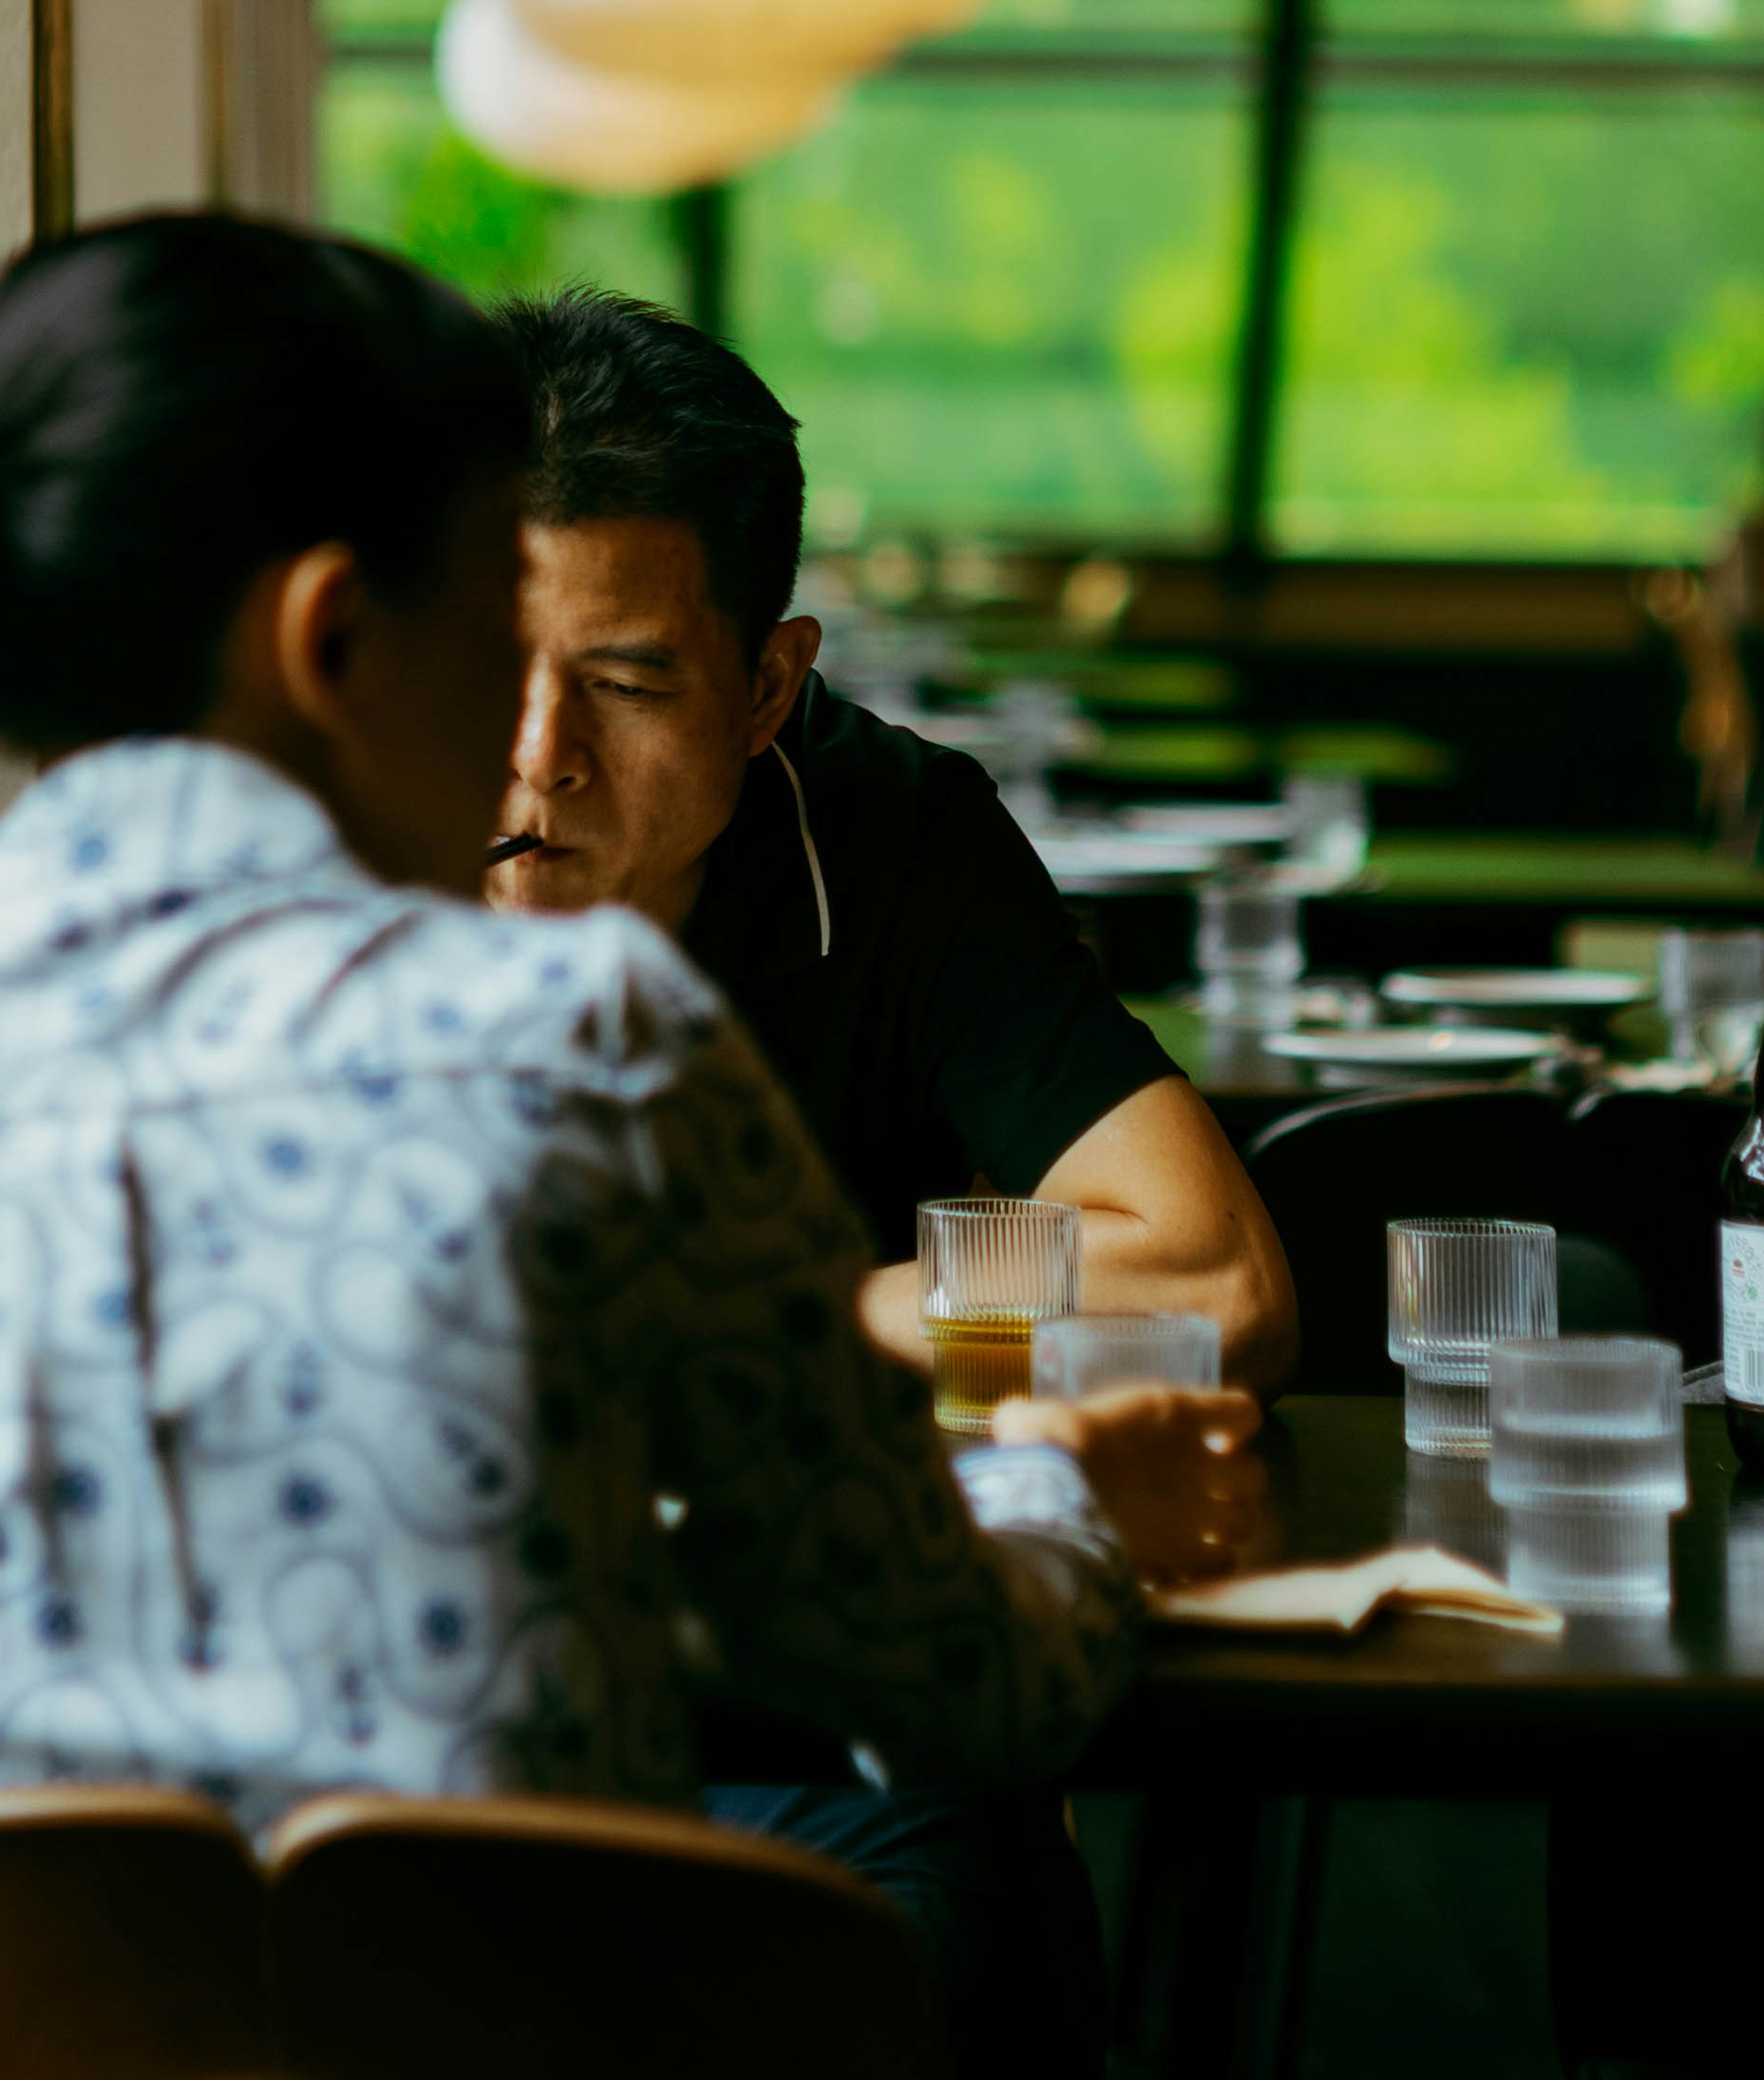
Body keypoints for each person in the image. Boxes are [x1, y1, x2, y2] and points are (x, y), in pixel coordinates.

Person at [0, 214, 1260, 1865]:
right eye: (482, 638)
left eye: (609, 678)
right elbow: (949, 1691)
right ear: (331, 637)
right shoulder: (587, 1042)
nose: (530, 755)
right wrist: (1054, 1500)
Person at [480, 288, 1297, 1388]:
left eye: (623, 684)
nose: (539, 753)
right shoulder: (298, 842)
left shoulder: (899, 836)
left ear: (766, 689)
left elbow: (1218, 1286)